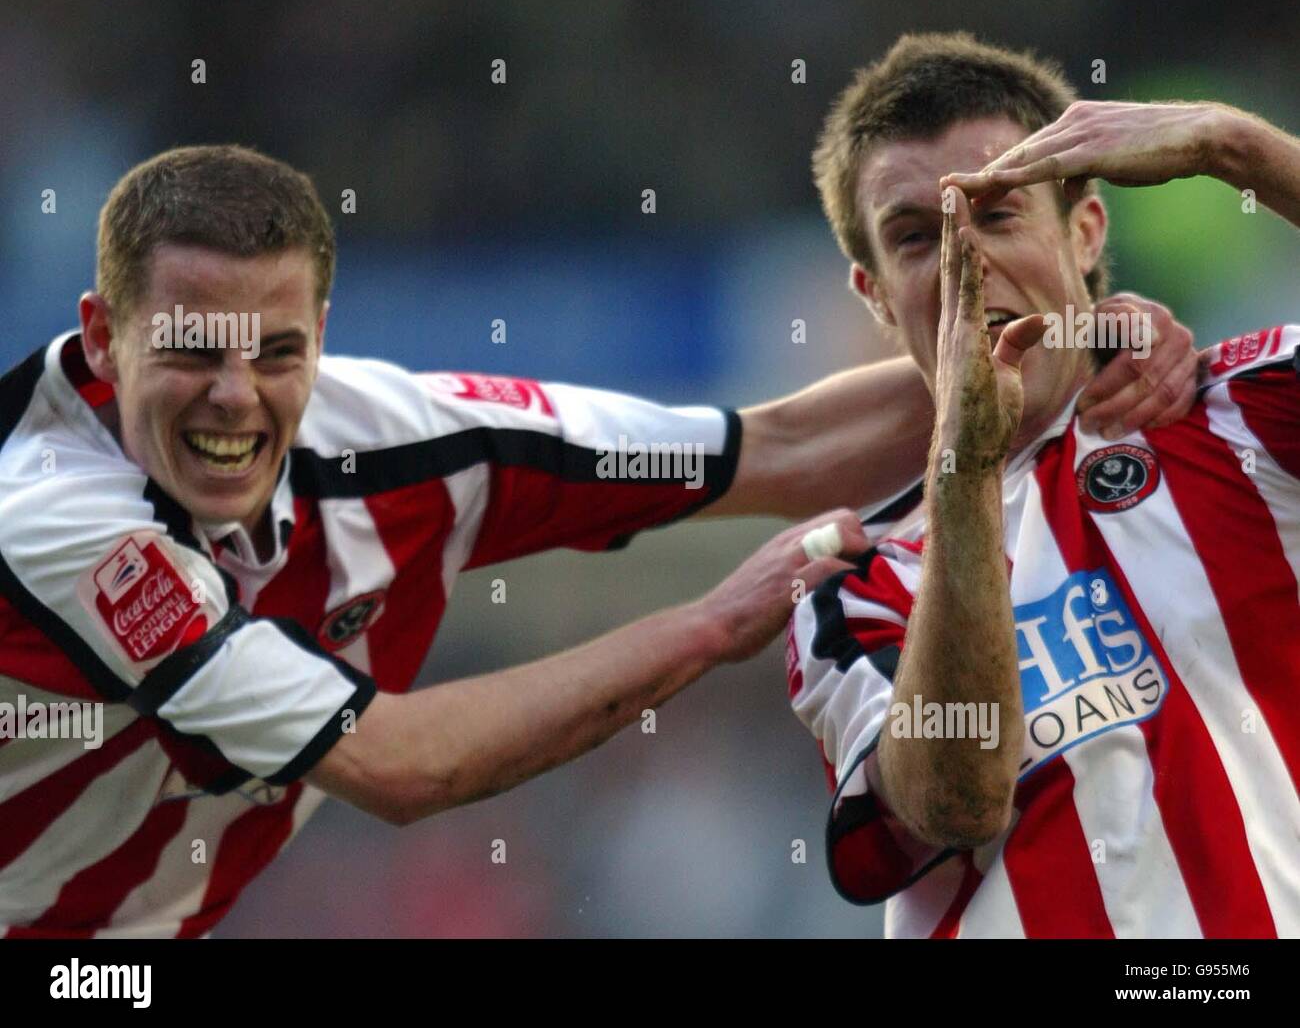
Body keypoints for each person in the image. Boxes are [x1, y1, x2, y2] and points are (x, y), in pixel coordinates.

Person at [0, 143, 1189, 939]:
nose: (234, 397)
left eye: (273, 352)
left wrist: (1072, 339)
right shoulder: (57, 518)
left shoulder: (404, 438)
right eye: (192, 351)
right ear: (103, 340)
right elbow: (401, 766)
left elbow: (770, 452)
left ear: (322, 330)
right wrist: (709, 625)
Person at [787, 31, 1300, 938]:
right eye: (918, 237)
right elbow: (951, 802)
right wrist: (966, 466)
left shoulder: (1243, 418)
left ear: (1085, 231)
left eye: (997, 214)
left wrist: (1238, 150)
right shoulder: (856, 590)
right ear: (874, 295)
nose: (964, 264)